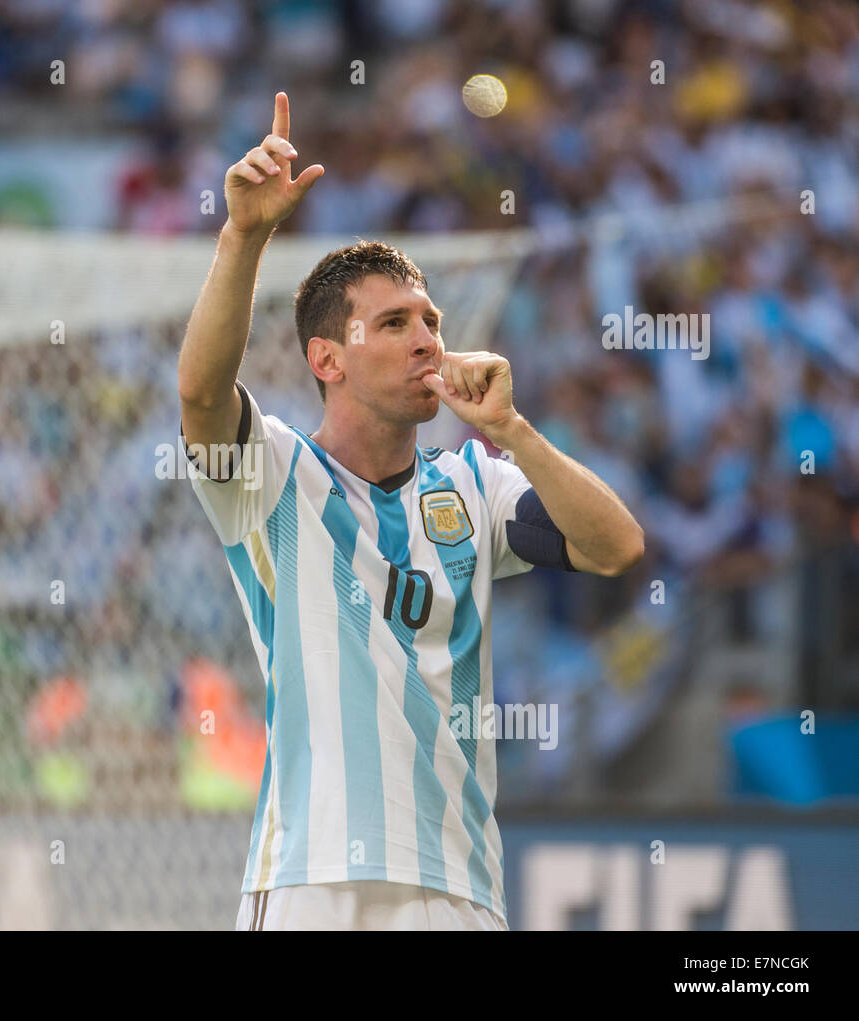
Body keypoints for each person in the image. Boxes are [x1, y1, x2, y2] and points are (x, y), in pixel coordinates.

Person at [177, 93, 645, 931]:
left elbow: (615, 546)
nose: (429, 338)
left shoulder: (475, 484)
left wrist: (513, 431)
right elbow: (203, 392)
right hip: (310, 879)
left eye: (431, 320)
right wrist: (244, 235)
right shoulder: (271, 474)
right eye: (394, 323)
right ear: (329, 357)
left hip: (455, 887)